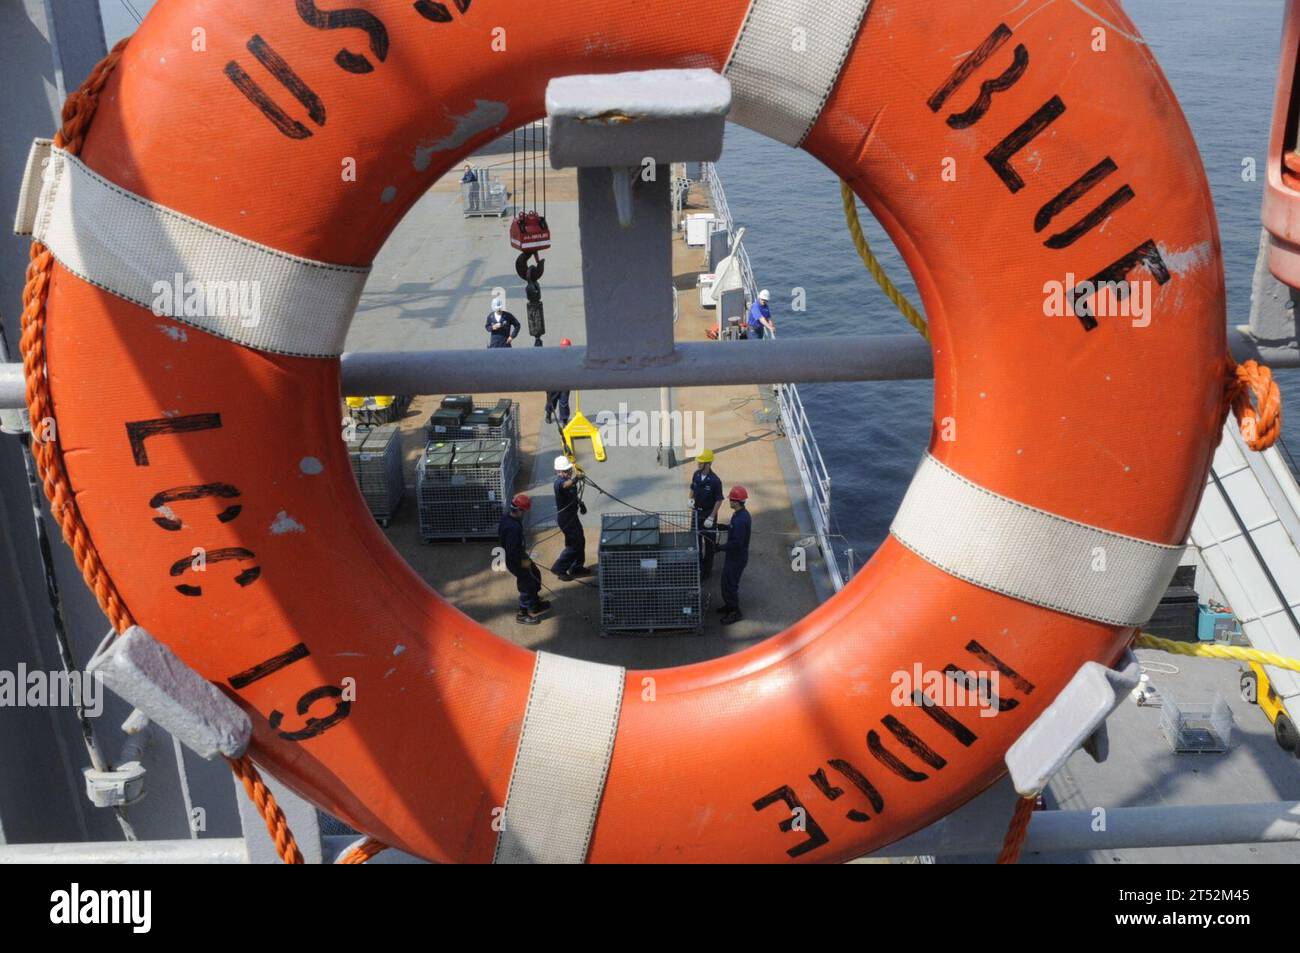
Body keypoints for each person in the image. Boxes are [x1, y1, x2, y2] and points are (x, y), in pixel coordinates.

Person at [498, 493, 550, 625]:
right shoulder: (513, 528)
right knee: (526, 583)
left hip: (520, 557)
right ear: (519, 510)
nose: (525, 514)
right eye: (524, 511)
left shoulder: (508, 519)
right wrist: (524, 563)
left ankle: (534, 603)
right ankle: (522, 613)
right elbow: (512, 550)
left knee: (535, 574)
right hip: (516, 560)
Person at [550, 456, 590, 581]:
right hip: (566, 519)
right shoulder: (559, 483)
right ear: (559, 472)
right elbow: (566, 485)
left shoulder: (568, 482)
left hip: (572, 517)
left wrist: (580, 503)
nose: (569, 472)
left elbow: (572, 493)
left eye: (569, 470)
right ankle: (559, 568)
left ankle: (576, 566)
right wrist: (576, 478)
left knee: (580, 540)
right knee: (574, 544)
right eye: (566, 470)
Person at [717, 485, 751, 626]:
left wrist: (719, 548)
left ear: (735, 502)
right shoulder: (741, 514)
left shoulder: (739, 520)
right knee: (726, 582)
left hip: (736, 558)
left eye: (731, 499)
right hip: (736, 557)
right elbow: (736, 532)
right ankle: (729, 606)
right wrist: (726, 527)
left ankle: (734, 611)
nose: (729, 501)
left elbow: (736, 543)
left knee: (729, 584)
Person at [689, 448, 724, 580]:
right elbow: (692, 487)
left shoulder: (715, 481)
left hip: (709, 514)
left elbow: (719, 500)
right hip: (696, 513)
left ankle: (706, 572)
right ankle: (696, 565)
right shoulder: (696, 474)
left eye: (701, 463)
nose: (698, 465)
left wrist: (711, 517)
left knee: (709, 544)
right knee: (695, 540)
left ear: (708, 464)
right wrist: (690, 498)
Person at [516, 251, 546, 345]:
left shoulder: (532, 286)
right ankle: (537, 339)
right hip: (534, 304)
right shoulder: (532, 286)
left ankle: (537, 339)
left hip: (534, 304)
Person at [545, 338, 573, 426]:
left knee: (564, 402)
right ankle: (548, 414)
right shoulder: (554, 357)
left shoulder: (571, 358)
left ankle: (564, 420)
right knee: (551, 401)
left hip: (565, 384)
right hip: (554, 384)